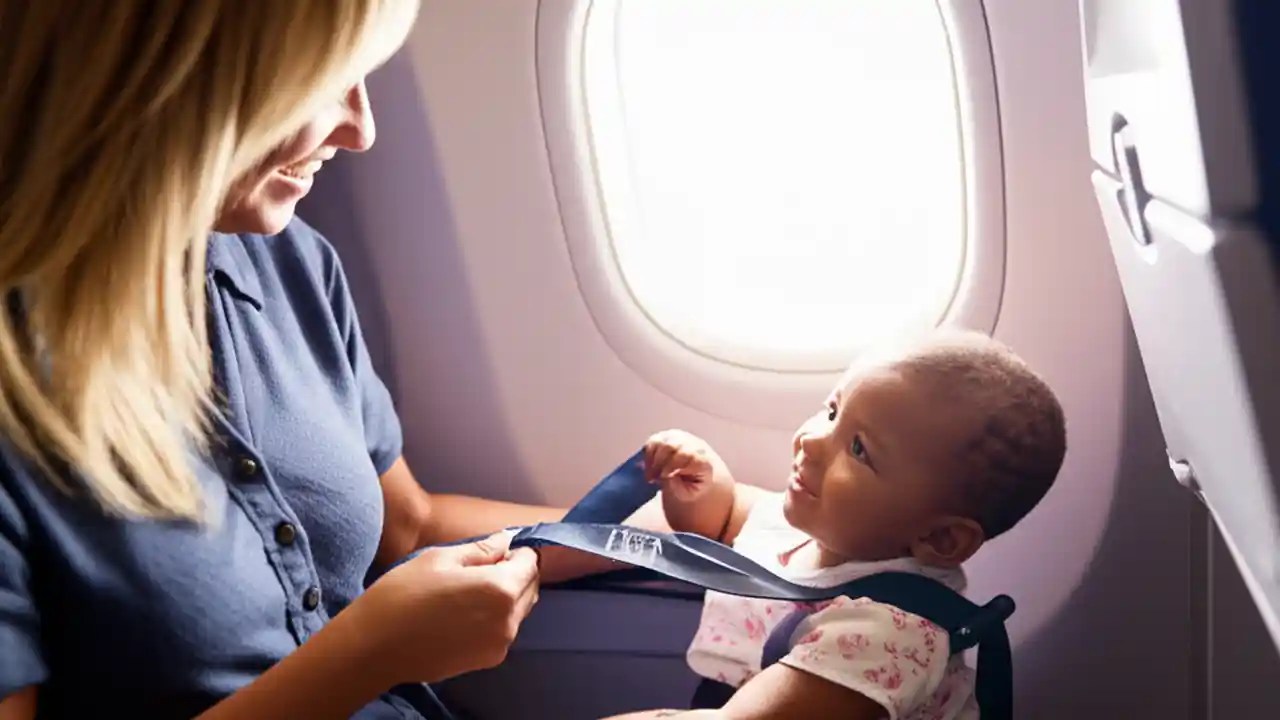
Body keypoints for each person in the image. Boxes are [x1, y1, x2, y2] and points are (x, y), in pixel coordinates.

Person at [0, 2, 644, 718]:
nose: (360, 130)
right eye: (323, 83)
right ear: (166, 84)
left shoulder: (291, 262)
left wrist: (666, 535)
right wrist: (367, 653)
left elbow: (410, 524)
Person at [605, 330, 1067, 719]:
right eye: (832, 411)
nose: (812, 440)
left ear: (939, 537)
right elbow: (726, 520)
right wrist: (703, 487)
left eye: (859, 449)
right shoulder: (822, 529)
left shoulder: (886, 636)